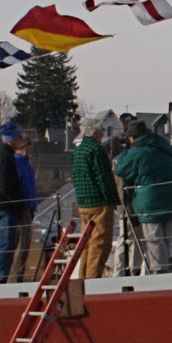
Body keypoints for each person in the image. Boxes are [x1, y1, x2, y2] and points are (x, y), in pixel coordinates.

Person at [113, 119, 172, 274]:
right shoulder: (163, 146)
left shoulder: (137, 151)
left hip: (150, 199)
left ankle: (159, 271)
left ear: (132, 137)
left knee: (154, 238)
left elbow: (121, 169)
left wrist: (126, 150)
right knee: (165, 239)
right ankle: (162, 267)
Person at [72, 118, 119, 279]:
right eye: (101, 131)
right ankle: (93, 281)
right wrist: (113, 200)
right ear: (96, 133)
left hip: (83, 203)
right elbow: (103, 177)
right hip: (99, 203)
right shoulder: (96, 150)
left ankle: (82, 278)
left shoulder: (78, 151)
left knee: (86, 244)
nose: (103, 135)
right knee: (99, 245)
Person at [0, 121, 30, 284]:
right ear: (13, 139)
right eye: (19, 137)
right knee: (5, 246)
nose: (21, 140)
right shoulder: (6, 157)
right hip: (6, 208)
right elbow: (7, 186)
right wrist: (18, 205)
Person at [10, 136, 39, 280]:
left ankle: (18, 275)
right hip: (21, 210)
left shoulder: (27, 164)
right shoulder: (15, 163)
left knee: (25, 246)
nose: (29, 150)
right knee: (20, 246)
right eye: (27, 147)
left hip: (29, 208)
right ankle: (15, 278)